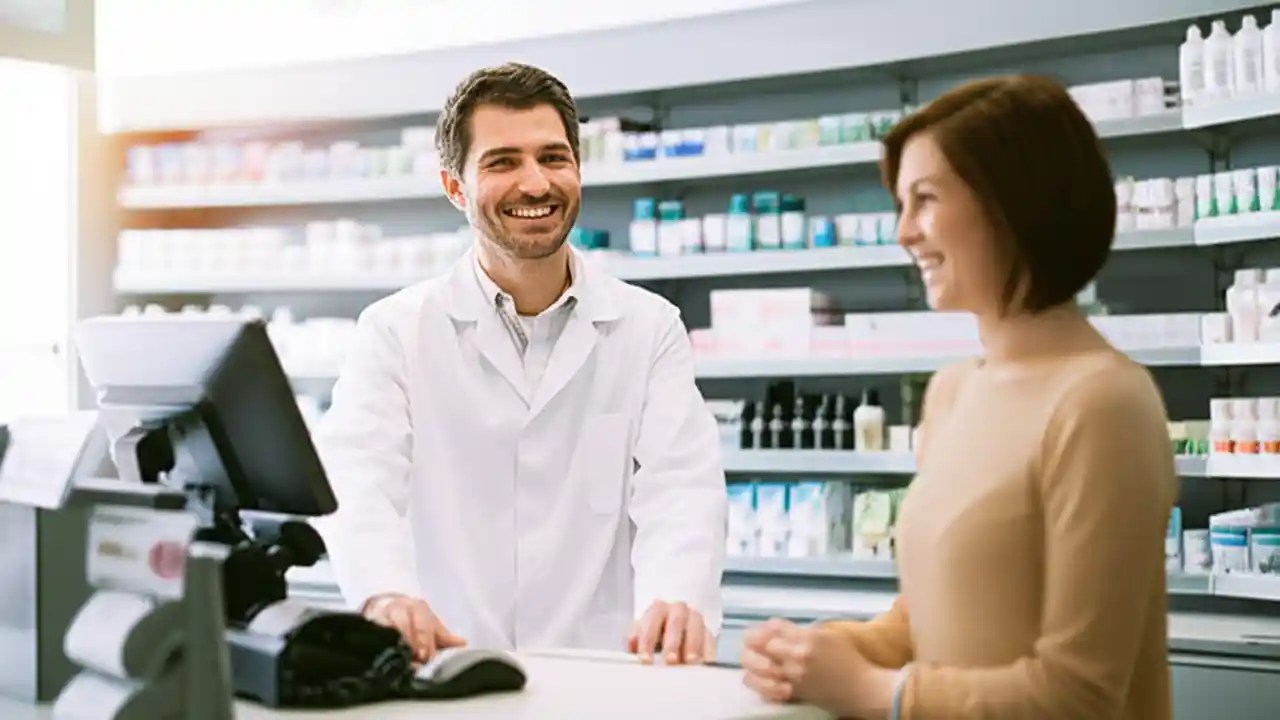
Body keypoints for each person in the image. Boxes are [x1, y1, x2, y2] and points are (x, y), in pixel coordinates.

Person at [740, 75, 1176, 719]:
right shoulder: (952, 392)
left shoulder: (1103, 403)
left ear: (1012, 203)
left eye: (925, 199)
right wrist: (820, 651)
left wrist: (867, 690)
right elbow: (926, 622)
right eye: (901, 204)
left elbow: (1080, 695)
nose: (904, 232)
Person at [311, 62, 727, 666]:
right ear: (455, 187)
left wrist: (678, 596)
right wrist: (385, 592)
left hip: (602, 672)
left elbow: (681, 486)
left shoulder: (649, 326)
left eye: (553, 158)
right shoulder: (396, 331)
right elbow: (357, 479)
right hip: (450, 664)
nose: (536, 184)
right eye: (503, 162)